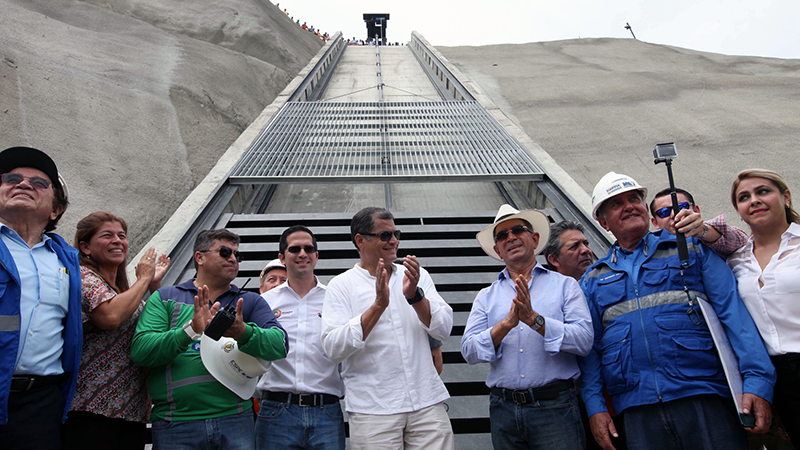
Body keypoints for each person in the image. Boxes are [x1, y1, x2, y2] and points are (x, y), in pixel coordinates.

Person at [579, 172, 776, 450]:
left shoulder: (690, 248)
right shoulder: (593, 278)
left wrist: (758, 381)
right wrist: (595, 407)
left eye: (634, 199)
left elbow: (734, 315)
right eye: (616, 204)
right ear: (602, 222)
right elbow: (591, 349)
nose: (629, 206)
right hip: (637, 408)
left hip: (704, 395)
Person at [131, 229, 288, 450]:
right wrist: (190, 330)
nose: (233, 258)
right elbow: (141, 351)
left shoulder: (249, 302)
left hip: (236, 420)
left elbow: (279, 345)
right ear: (199, 257)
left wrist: (243, 332)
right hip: (175, 423)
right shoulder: (165, 297)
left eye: (237, 255)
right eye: (225, 252)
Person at [321, 207, 454, 450]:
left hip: (426, 402)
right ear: (360, 240)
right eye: (385, 235)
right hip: (374, 409)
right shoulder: (341, 285)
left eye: (396, 233)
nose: (394, 241)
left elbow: (444, 329)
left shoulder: (415, 275)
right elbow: (333, 348)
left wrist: (415, 297)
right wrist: (378, 306)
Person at [461, 204, 593, 449]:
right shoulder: (485, 296)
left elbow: (584, 341)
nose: (510, 237)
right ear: (499, 251)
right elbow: (468, 350)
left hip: (556, 406)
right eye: (502, 236)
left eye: (517, 230)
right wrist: (506, 325)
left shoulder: (565, 286)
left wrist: (535, 320)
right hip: (504, 410)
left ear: (534, 239)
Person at [61, 212, 170, 450]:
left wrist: (152, 286)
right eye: (107, 235)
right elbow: (110, 317)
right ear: (85, 247)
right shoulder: (83, 277)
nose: (117, 241)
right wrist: (143, 280)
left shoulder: (123, 290)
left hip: (131, 411)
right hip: (90, 410)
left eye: (122, 236)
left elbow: (156, 328)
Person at [0, 146, 79, 450]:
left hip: (40, 404)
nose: (23, 184)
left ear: (55, 209)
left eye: (39, 183)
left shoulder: (67, 261)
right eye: (11, 178)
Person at [727, 169, 800, 444]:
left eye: (763, 191)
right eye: (744, 197)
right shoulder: (735, 260)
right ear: (739, 210)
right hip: (777, 379)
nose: (754, 200)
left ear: (786, 197)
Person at [256, 225, 345, 450]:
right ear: (282, 257)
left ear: (317, 256)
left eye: (308, 249)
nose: (302, 254)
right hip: (277, 411)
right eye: (295, 249)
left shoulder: (336, 299)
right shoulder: (265, 302)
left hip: (326, 410)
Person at [649, 187, 748, 258]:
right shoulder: (648, 250)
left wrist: (703, 232)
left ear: (696, 210)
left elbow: (742, 241)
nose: (674, 214)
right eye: (664, 212)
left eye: (681, 207)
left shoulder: (708, 236)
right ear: (655, 223)